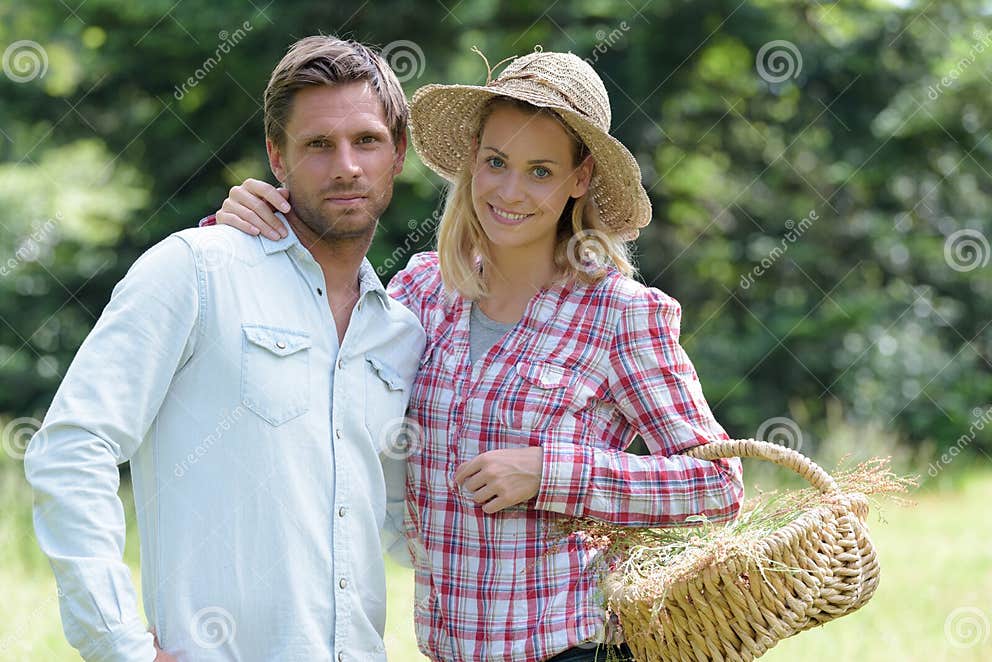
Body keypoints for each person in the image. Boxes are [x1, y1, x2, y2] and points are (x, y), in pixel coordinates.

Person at [211, 49, 744, 662]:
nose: (510, 191)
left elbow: (717, 485)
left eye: (541, 171)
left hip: (577, 646)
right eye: (496, 162)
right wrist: (241, 236)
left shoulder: (620, 314)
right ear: (472, 163)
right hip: (446, 648)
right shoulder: (419, 295)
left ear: (580, 179)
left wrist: (551, 474)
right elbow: (304, 351)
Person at [24, 36, 425, 661]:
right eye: (319, 144)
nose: (347, 165)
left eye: (367, 140)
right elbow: (73, 445)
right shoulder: (196, 270)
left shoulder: (401, 332)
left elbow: (408, 527)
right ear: (277, 156)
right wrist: (117, 646)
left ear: (398, 153)